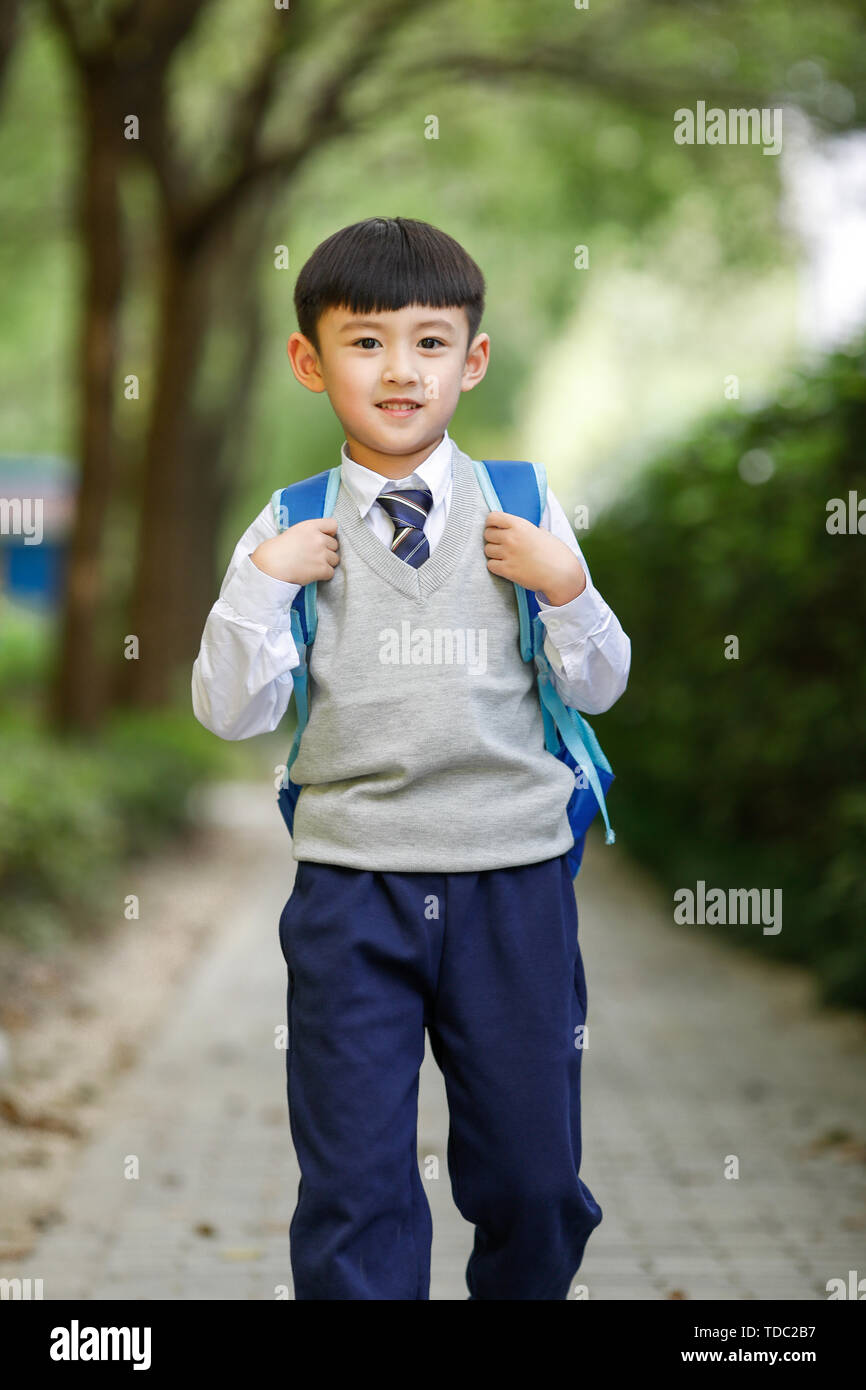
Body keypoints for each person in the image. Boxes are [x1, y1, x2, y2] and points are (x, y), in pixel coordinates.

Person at [191, 216, 631, 1300]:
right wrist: (261, 582)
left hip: (512, 888)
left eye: (430, 342)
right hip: (352, 891)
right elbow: (232, 712)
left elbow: (599, 683)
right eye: (365, 341)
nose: (400, 370)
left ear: (470, 360)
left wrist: (562, 589)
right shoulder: (287, 525)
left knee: (530, 1177)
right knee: (352, 1183)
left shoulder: (524, 509)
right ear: (309, 360)